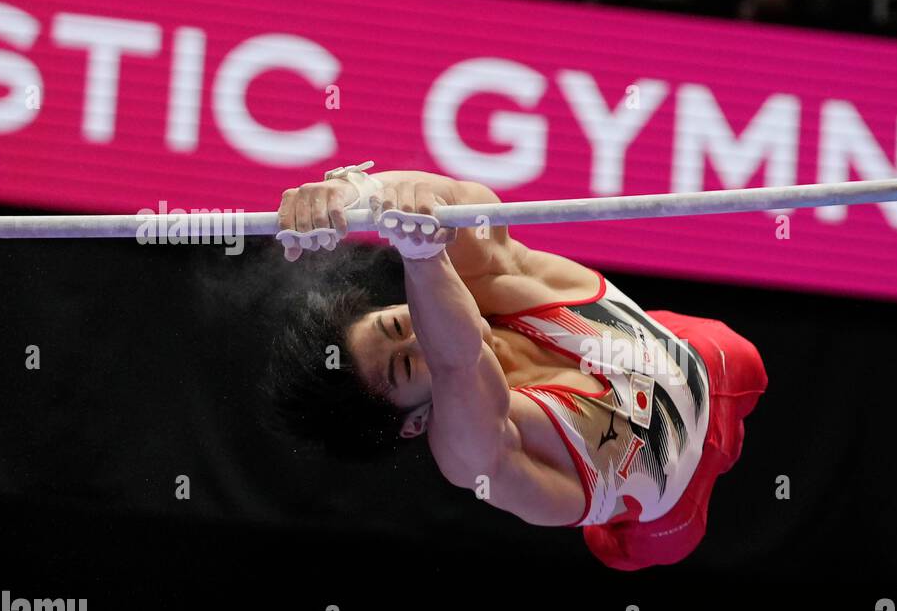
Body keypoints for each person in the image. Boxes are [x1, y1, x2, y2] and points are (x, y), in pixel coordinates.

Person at [262, 164, 768, 570]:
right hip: (665, 514)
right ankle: (615, 531)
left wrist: (359, 192)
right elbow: (459, 362)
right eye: (406, 367)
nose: (418, 335)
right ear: (414, 421)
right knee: (634, 552)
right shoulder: (470, 449)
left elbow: (465, 201)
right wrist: (423, 257)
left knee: (746, 356)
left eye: (396, 325)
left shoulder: (492, 280)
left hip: (705, 359)